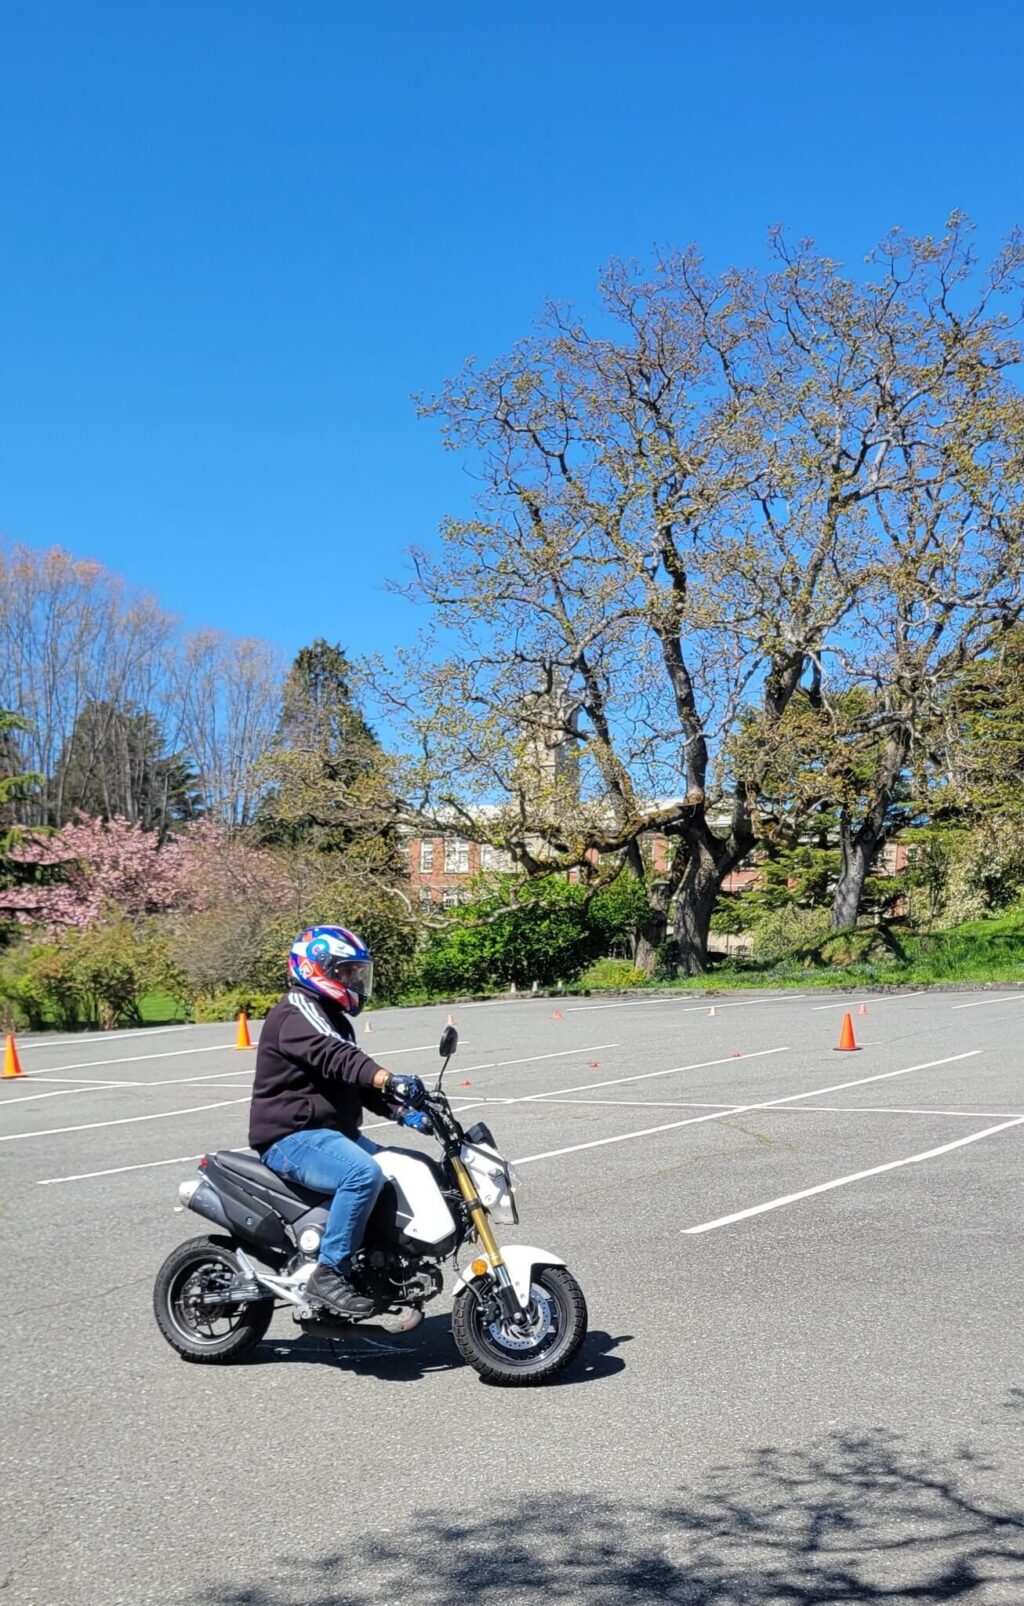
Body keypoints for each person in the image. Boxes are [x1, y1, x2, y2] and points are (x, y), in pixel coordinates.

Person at [248, 925, 430, 1319]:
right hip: (290, 1136)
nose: (352, 980)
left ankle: (377, 1266)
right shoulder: (296, 1012)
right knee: (362, 1174)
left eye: (355, 973)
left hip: (327, 1134)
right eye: (345, 971)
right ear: (317, 968)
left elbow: (352, 1080)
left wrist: (404, 1110)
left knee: (401, 1169)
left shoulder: (331, 1016)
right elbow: (335, 1057)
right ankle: (329, 1273)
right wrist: (387, 1077)